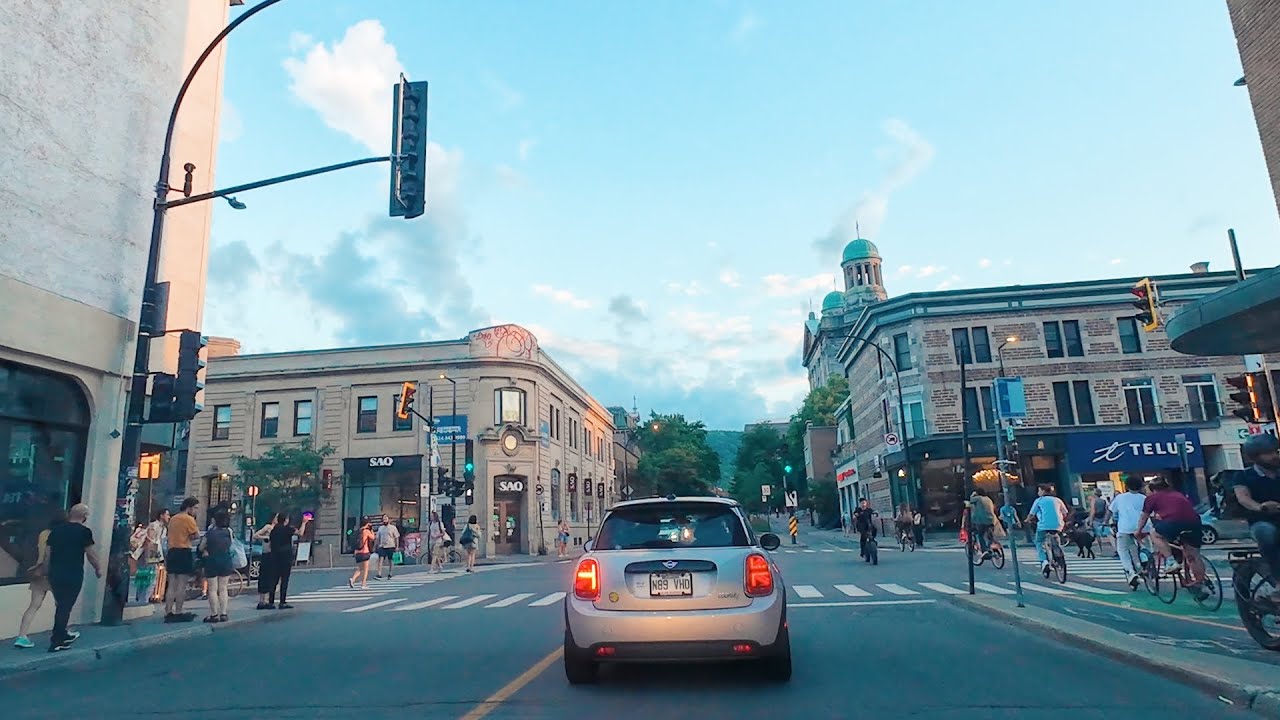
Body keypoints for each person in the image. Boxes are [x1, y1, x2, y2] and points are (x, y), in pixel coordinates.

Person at [1135, 476, 1208, 599]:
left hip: (1173, 523)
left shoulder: (1152, 498)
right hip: (1194, 522)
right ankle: (1200, 582)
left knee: (1155, 534)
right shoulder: (1178, 495)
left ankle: (1170, 561)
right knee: (1194, 555)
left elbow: (1144, 517)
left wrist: (1138, 531)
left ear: (1153, 490)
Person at [1228, 433, 1280, 600]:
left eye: (1276, 451)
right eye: (1268, 453)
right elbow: (1243, 498)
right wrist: (1261, 507)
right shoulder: (1243, 476)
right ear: (1255, 457)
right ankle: (1279, 583)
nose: (1274, 456)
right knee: (1266, 533)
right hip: (1262, 520)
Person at [45, 504, 102, 652]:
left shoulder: (56, 531)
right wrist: (98, 568)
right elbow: (90, 553)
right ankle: (57, 640)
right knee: (65, 606)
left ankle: (62, 633)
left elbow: (47, 554)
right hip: (73, 572)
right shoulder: (84, 532)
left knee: (61, 604)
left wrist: (47, 572)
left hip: (55, 573)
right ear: (85, 516)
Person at [13, 511, 66, 649]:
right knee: (62, 606)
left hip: (39, 571)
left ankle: (22, 636)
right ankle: (63, 632)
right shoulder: (60, 535)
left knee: (34, 605)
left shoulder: (43, 533)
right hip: (54, 572)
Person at [1108, 476, 1149, 589]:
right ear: (1141, 486)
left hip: (1125, 528)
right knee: (1145, 544)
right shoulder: (1144, 498)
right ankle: (1146, 560)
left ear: (1126, 486)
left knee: (1122, 549)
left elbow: (1111, 511)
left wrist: (1106, 522)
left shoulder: (1120, 498)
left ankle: (1131, 572)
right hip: (1144, 527)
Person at [164, 497, 200, 622]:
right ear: (189, 507)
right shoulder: (189, 519)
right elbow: (196, 535)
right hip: (184, 551)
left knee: (171, 584)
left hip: (172, 551)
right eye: (195, 508)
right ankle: (178, 611)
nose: (196, 511)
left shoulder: (173, 519)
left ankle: (168, 611)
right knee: (181, 584)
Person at [267, 512, 309, 609]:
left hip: (274, 557)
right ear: (286, 520)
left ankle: (271, 602)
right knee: (284, 580)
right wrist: (303, 523)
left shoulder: (274, 530)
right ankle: (282, 602)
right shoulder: (287, 529)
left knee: (274, 580)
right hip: (285, 557)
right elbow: (300, 533)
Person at [200, 509, 234, 623]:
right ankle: (224, 613)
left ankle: (214, 614)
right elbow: (231, 544)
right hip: (225, 560)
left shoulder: (210, 533)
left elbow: (201, 547)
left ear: (215, 520)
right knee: (223, 588)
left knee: (212, 589)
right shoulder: (229, 532)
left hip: (212, 560)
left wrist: (205, 550)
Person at [1026, 484, 1069, 575]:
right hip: (1058, 525)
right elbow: (1065, 512)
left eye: (1039, 490)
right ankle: (1059, 551)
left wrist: (1027, 520)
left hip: (1044, 525)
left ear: (1043, 491)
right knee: (1056, 537)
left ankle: (1044, 561)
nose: (1038, 492)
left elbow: (1032, 514)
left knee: (1039, 542)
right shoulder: (1057, 500)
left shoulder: (1039, 501)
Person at [253, 515, 278, 609]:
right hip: (266, 553)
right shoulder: (268, 527)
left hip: (272, 553)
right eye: (275, 517)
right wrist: (265, 537)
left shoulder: (277, 528)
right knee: (264, 576)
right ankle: (262, 600)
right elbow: (256, 535)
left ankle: (266, 599)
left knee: (269, 577)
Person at [349, 520, 375, 589]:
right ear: (367, 524)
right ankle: (363, 584)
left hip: (357, 552)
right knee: (366, 569)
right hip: (364, 552)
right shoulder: (366, 531)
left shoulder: (357, 531)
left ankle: (353, 579)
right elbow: (373, 537)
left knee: (360, 568)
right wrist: (371, 529)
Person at [374, 515, 400, 580]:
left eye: (386, 519)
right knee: (381, 559)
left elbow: (396, 537)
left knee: (390, 560)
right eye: (383, 519)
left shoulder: (393, 528)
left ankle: (390, 573)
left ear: (388, 520)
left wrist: (397, 546)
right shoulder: (380, 528)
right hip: (382, 546)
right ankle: (379, 574)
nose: (384, 520)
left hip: (390, 545)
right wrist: (375, 546)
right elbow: (377, 538)